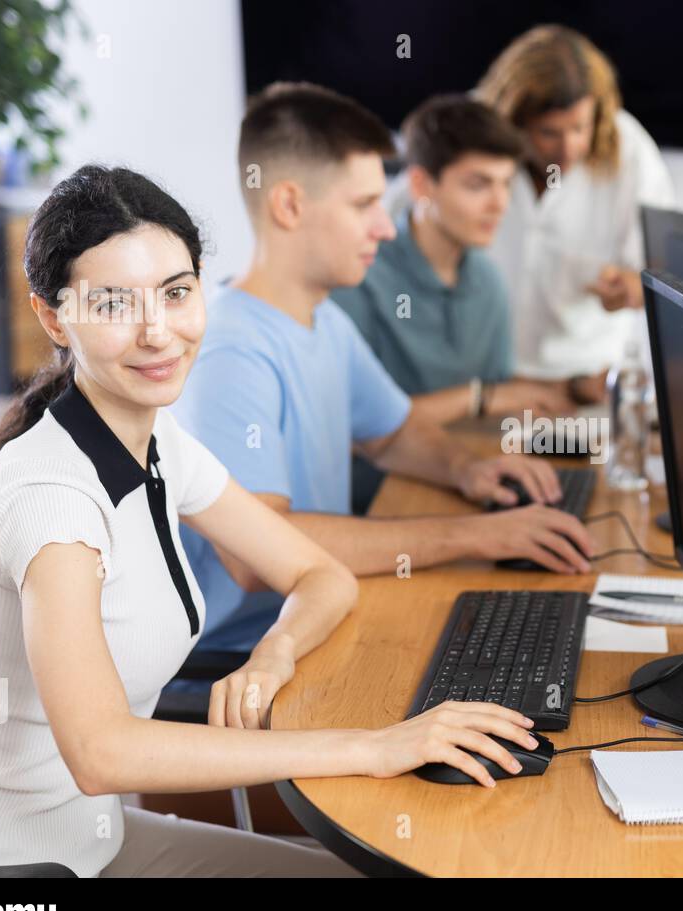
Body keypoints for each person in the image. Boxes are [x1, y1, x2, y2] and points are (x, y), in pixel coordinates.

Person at [0, 166, 540, 878]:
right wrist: (372, 745)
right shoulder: (52, 496)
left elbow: (317, 574)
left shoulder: (158, 443)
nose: (158, 332)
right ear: (55, 318)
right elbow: (101, 753)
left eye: (177, 293)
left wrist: (273, 652)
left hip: (90, 839)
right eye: (113, 303)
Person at [174, 82, 596, 665]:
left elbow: (392, 432)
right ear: (290, 205)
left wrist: (468, 469)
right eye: (363, 205)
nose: (387, 226)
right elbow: (256, 556)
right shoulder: (230, 352)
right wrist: (473, 536)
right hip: (252, 661)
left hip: (330, 615)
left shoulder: (323, 320)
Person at [331, 94, 577, 510]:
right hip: (382, 501)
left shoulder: (488, 281)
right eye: (478, 184)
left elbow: (501, 401)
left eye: (505, 183)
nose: (499, 204)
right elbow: (352, 431)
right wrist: (477, 397)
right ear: (423, 185)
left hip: (462, 477)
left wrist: (566, 434)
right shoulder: (360, 275)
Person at [468, 26, 675, 394]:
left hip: (581, 386)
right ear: (512, 121)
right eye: (548, 133)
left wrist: (630, 288)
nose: (568, 149)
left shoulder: (631, 153)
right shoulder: (469, 133)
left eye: (580, 127)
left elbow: (663, 276)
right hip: (479, 384)